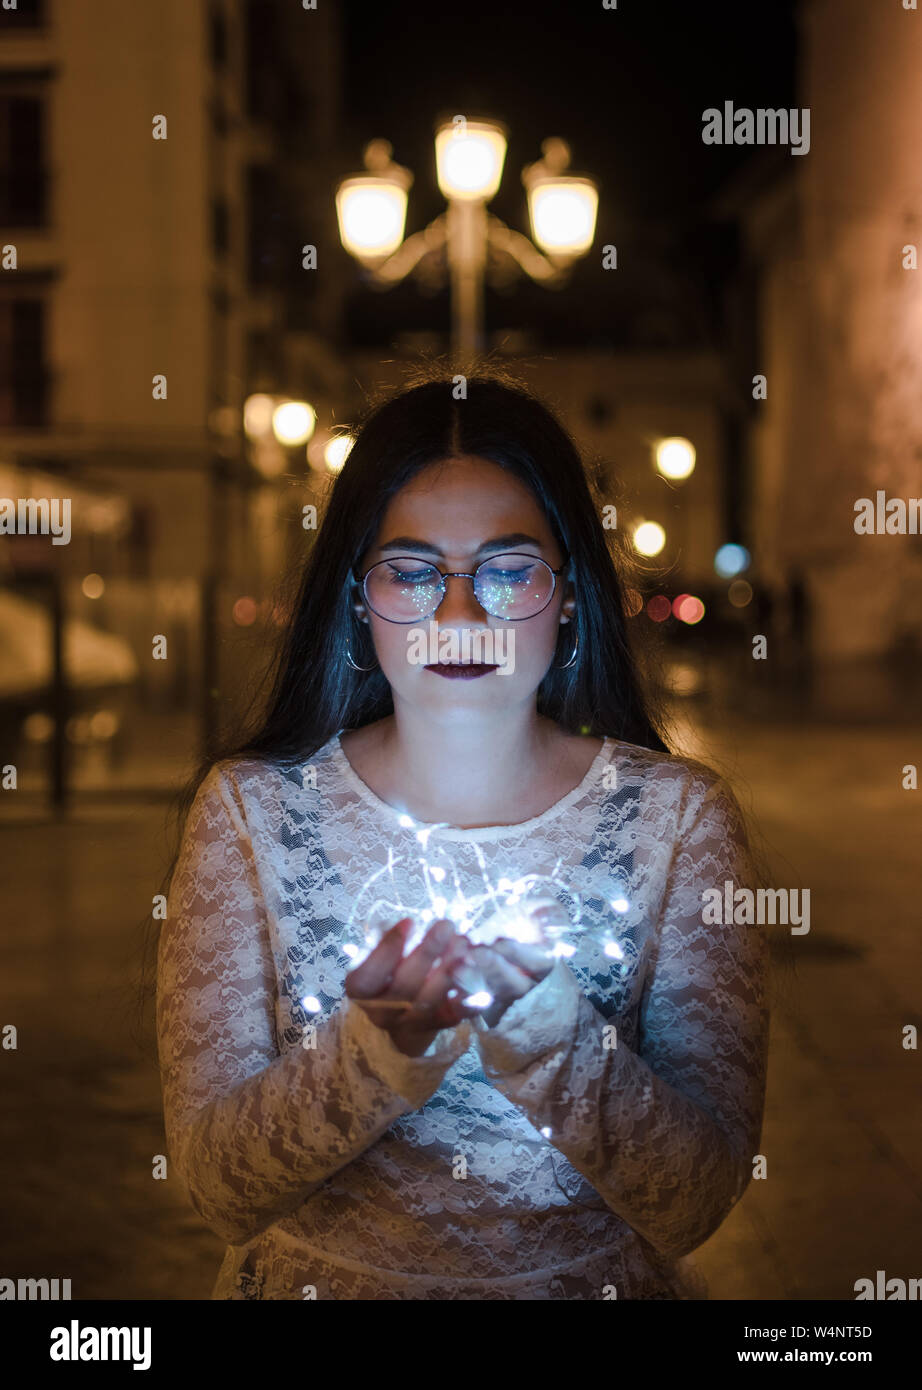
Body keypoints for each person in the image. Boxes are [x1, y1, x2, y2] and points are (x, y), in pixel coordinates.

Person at [156, 370, 769, 1300]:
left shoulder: (678, 822)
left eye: (508, 570)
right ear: (359, 597)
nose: (458, 615)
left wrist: (555, 1045)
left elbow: (698, 1200)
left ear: (568, 594)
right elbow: (215, 1186)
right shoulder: (252, 814)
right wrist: (375, 1055)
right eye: (411, 572)